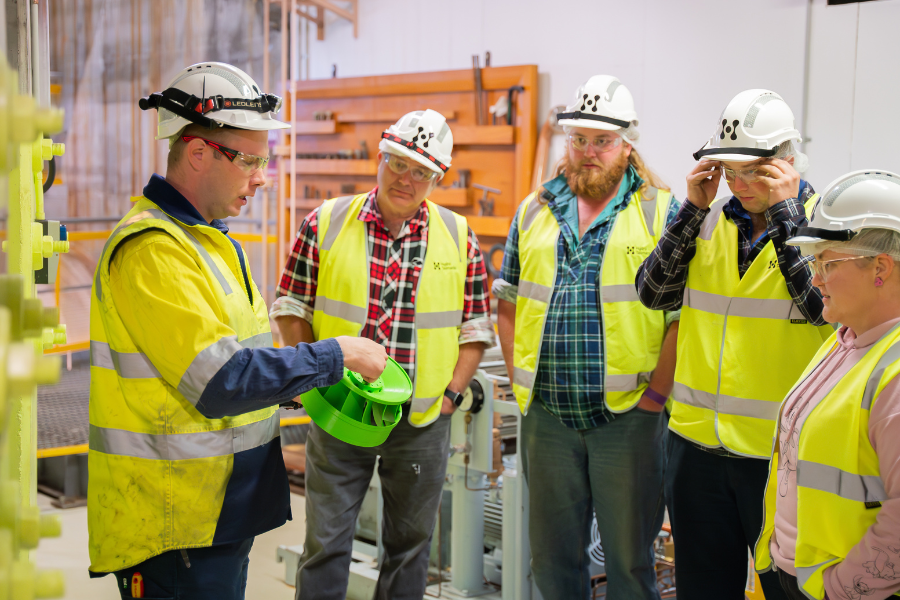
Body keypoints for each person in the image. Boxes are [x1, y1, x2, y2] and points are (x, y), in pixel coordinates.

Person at [87, 62, 386, 600]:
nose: (262, 177)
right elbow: (220, 379)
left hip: (218, 508)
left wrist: (298, 386)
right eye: (249, 160)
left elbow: (234, 360)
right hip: (176, 520)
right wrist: (334, 355)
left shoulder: (211, 241)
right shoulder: (153, 250)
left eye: (263, 161)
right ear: (198, 153)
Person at [271, 108, 494, 600]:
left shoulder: (458, 236)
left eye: (421, 172)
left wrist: (452, 395)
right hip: (340, 411)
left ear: (436, 179)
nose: (405, 179)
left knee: (409, 548)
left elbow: (476, 328)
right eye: (398, 163)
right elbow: (291, 305)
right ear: (381, 156)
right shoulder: (326, 222)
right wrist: (313, 377)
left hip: (421, 421)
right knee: (325, 543)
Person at [636, 89, 834, 600]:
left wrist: (788, 214)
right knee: (703, 589)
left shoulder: (824, 226)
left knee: (786, 589)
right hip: (695, 448)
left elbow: (822, 309)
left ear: (787, 161)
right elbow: (653, 293)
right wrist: (691, 208)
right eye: (729, 170)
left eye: (753, 171)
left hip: (780, 454)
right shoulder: (705, 221)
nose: (739, 184)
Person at [494, 74, 677, 599]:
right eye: (579, 139)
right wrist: (522, 385)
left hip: (629, 420)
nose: (589, 151)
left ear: (626, 145)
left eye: (603, 140)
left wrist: (655, 398)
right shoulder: (533, 210)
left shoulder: (661, 212)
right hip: (547, 417)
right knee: (552, 563)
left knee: (629, 566)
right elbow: (507, 303)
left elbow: (680, 318)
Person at [755, 170, 900, 600]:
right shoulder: (845, 340)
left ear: (880, 268)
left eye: (827, 264)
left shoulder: (893, 373)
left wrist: (839, 588)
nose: (815, 279)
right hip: (797, 576)